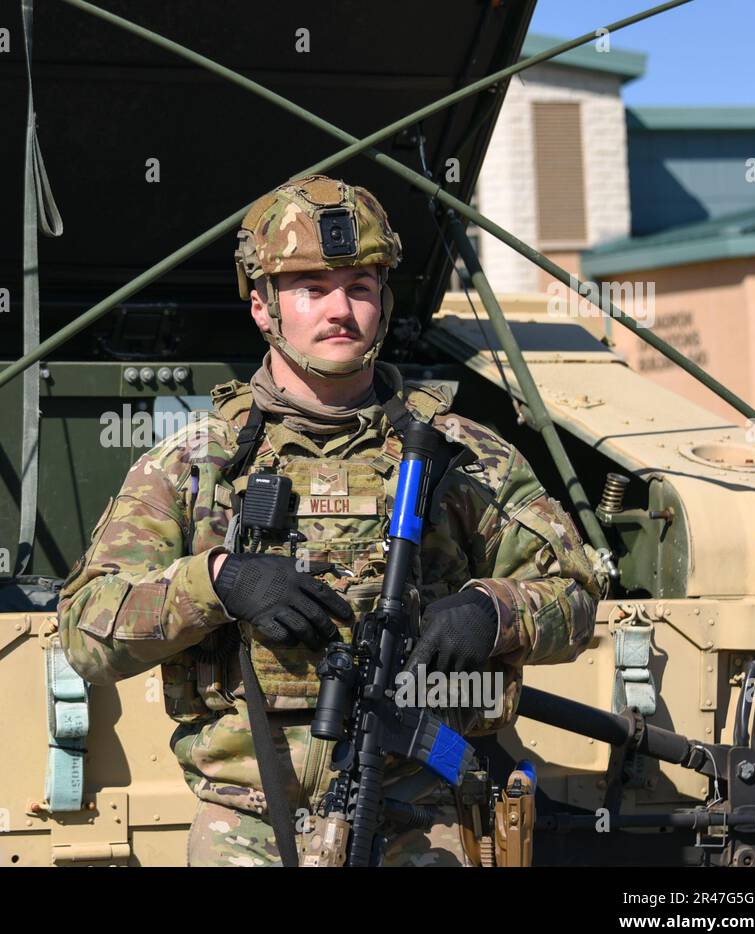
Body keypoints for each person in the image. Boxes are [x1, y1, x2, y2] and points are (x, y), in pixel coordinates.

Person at [56, 174, 606, 866]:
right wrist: (218, 582)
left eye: (360, 287)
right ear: (262, 308)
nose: (339, 310)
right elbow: (84, 630)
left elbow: (577, 594)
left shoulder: (463, 457)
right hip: (250, 826)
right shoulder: (198, 464)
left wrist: (490, 612)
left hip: (423, 814)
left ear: (384, 303)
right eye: (311, 289)